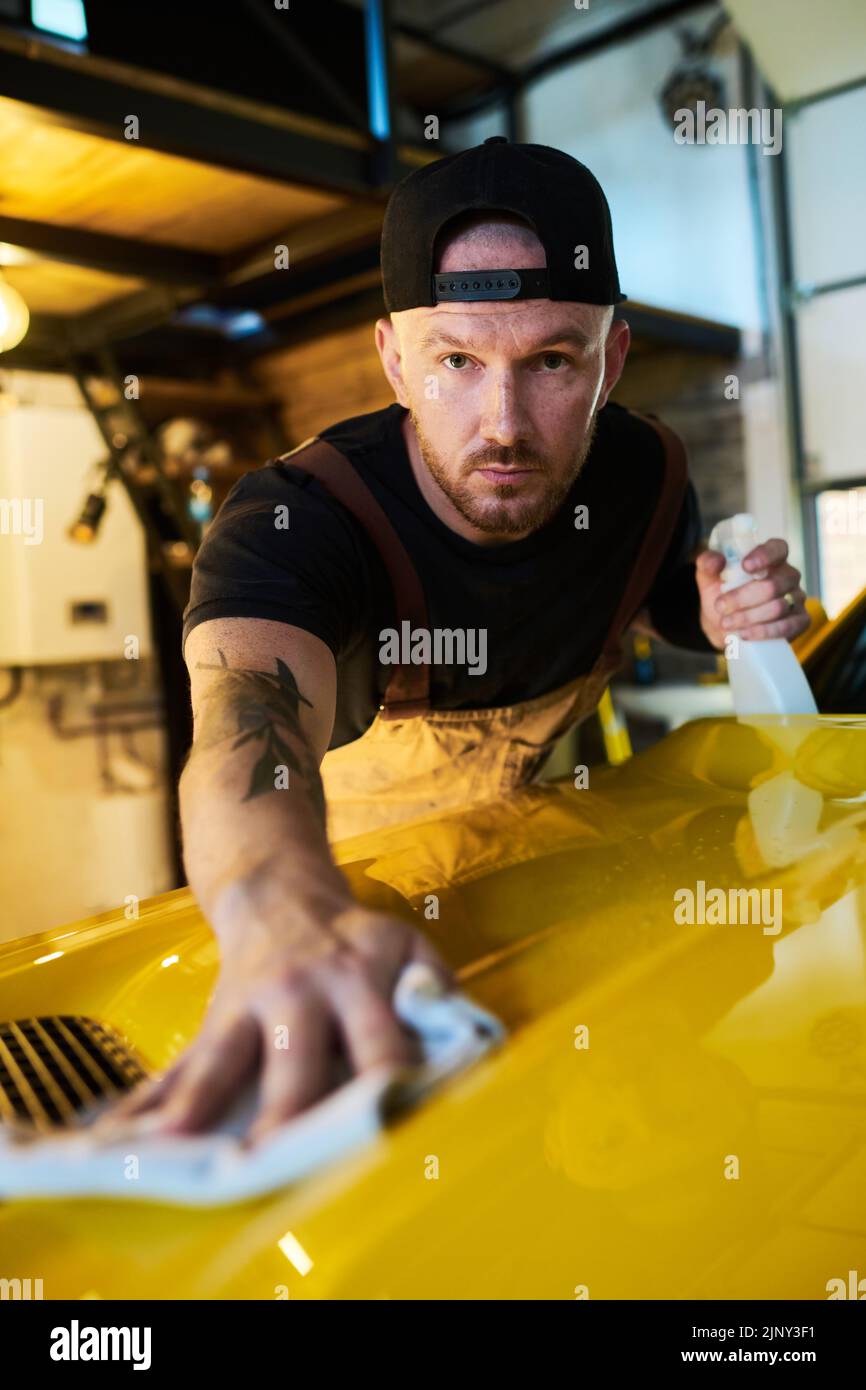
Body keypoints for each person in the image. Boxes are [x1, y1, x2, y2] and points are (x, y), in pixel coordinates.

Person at [108, 138, 809, 1142]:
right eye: (456, 361)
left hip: (556, 885)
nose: (504, 424)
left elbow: (654, 597)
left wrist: (714, 617)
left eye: (551, 361)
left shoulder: (644, 474)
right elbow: (242, 720)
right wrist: (282, 915)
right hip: (349, 916)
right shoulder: (299, 518)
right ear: (394, 358)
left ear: (610, 361)